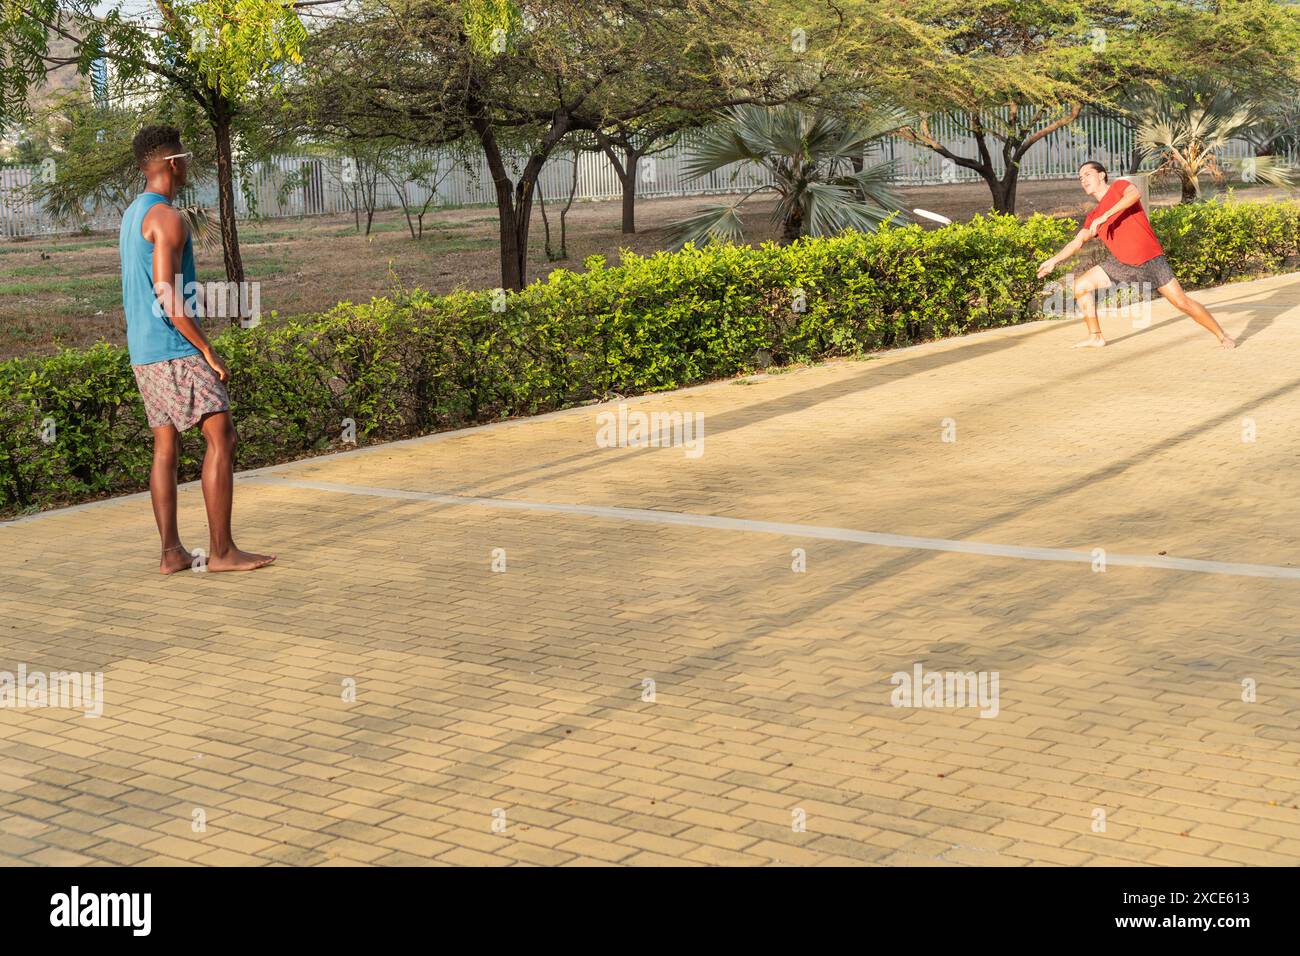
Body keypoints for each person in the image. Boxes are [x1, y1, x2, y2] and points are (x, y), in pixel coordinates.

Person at [120, 125, 275, 573]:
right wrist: (206, 349)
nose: (188, 166)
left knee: (166, 446)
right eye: (184, 158)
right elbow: (167, 293)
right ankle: (222, 551)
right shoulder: (167, 217)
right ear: (172, 163)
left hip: (144, 350)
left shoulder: (133, 214)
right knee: (220, 434)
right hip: (173, 348)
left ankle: (172, 554)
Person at [1036, 160, 1235, 349]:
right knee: (1080, 286)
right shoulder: (1093, 217)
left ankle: (1221, 335)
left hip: (1150, 260)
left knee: (1181, 302)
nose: (1084, 180)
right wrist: (1054, 260)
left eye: (1088, 174)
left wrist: (1107, 215)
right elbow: (1077, 241)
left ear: (1102, 175)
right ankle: (1096, 337)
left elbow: (1135, 194)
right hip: (1122, 264)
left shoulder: (1119, 187)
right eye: (1080, 178)